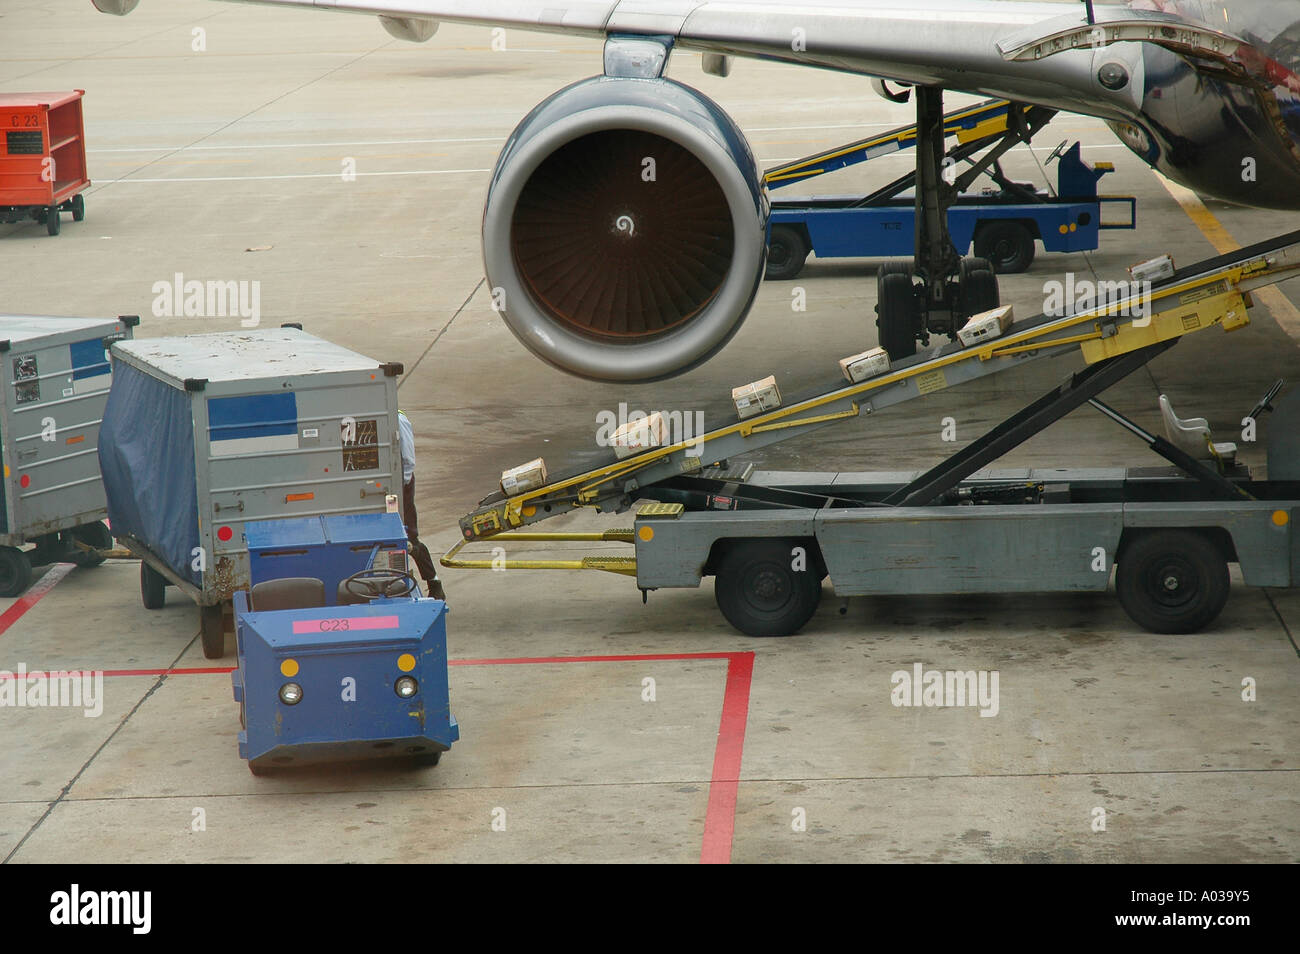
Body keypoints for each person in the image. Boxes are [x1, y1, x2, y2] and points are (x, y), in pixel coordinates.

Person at [398, 409, 447, 601]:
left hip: (402, 484)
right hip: (391, 485)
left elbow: (408, 459)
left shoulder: (398, 418)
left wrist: (402, 485)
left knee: (410, 536)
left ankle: (434, 583)